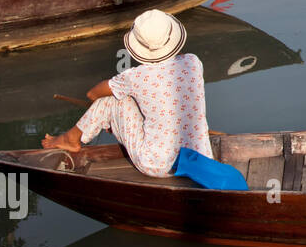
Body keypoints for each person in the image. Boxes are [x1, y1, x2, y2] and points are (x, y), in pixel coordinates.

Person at [42, 10, 212, 178]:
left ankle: (71, 138)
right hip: (201, 159)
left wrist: (113, 118)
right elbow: (168, 76)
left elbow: (92, 94)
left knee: (111, 100)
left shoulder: (135, 76)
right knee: (129, 98)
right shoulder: (193, 62)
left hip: (160, 165)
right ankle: (73, 136)